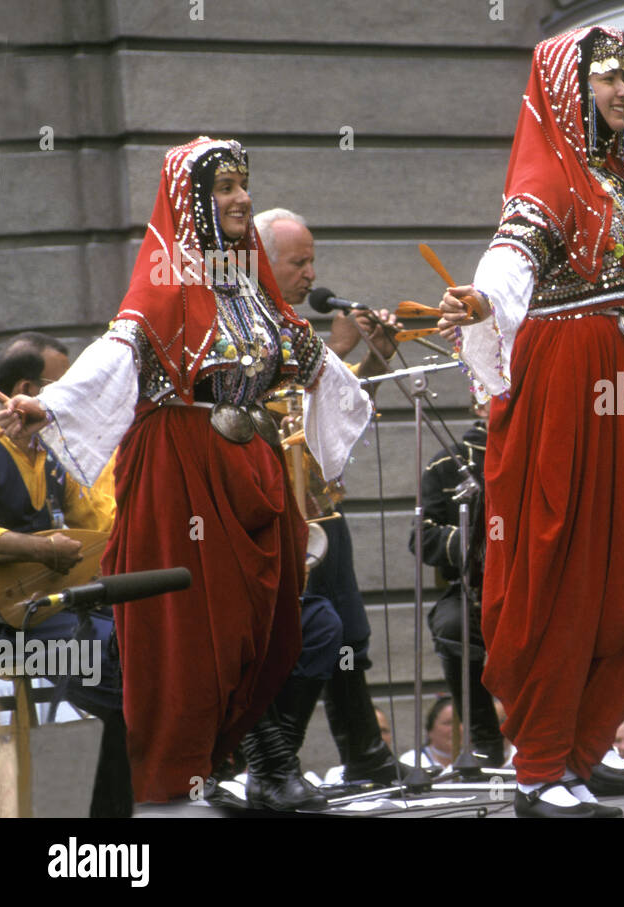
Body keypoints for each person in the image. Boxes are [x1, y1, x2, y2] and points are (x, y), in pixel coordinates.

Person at [0, 137, 371, 805]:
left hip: (250, 470)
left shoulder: (253, 293)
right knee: (205, 631)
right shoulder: (166, 290)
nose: (241, 197)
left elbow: (312, 359)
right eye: (225, 187)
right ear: (194, 203)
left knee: (273, 622)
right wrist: (44, 406)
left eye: (243, 184)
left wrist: (349, 396)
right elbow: (116, 357)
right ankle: (228, 767)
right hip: (183, 470)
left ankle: (256, 759)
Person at [436, 27, 624, 817]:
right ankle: (539, 764)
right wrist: (481, 302)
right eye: (605, 78)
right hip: (572, 393)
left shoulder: (621, 185)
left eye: (623, 78)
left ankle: (578, 747)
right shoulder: (548, 185)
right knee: (564, 565)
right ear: (570, 93)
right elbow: (512, 259)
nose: (623, 91)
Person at [248, 208, 406, 805]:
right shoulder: (252, 326)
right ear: (264, 261)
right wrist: (333, 358)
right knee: (310, 633)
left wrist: (376, 358)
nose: (311, 273)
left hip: (321, 508)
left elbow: (333, 421)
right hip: (278, 516)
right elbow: (279, 415)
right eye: (298, 261)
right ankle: (273, 762)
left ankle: (366, 756)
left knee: (349, 637)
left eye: (313, 259)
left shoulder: (293, 323)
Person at [0, 332, 129, 816]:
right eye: (60, 385)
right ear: (25, 389)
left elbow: (97, 522)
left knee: (127, 650)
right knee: (106, 668)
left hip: (50, 606)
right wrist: (38, 548)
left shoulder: (51, 448)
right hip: (11, 623)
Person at [411, 402, 507, 769]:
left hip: (533, 589)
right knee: (453, 625)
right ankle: (484, 737)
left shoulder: (540, 448)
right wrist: (474, 543)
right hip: (475, 587)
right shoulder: (448, 462)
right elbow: (420, 537)